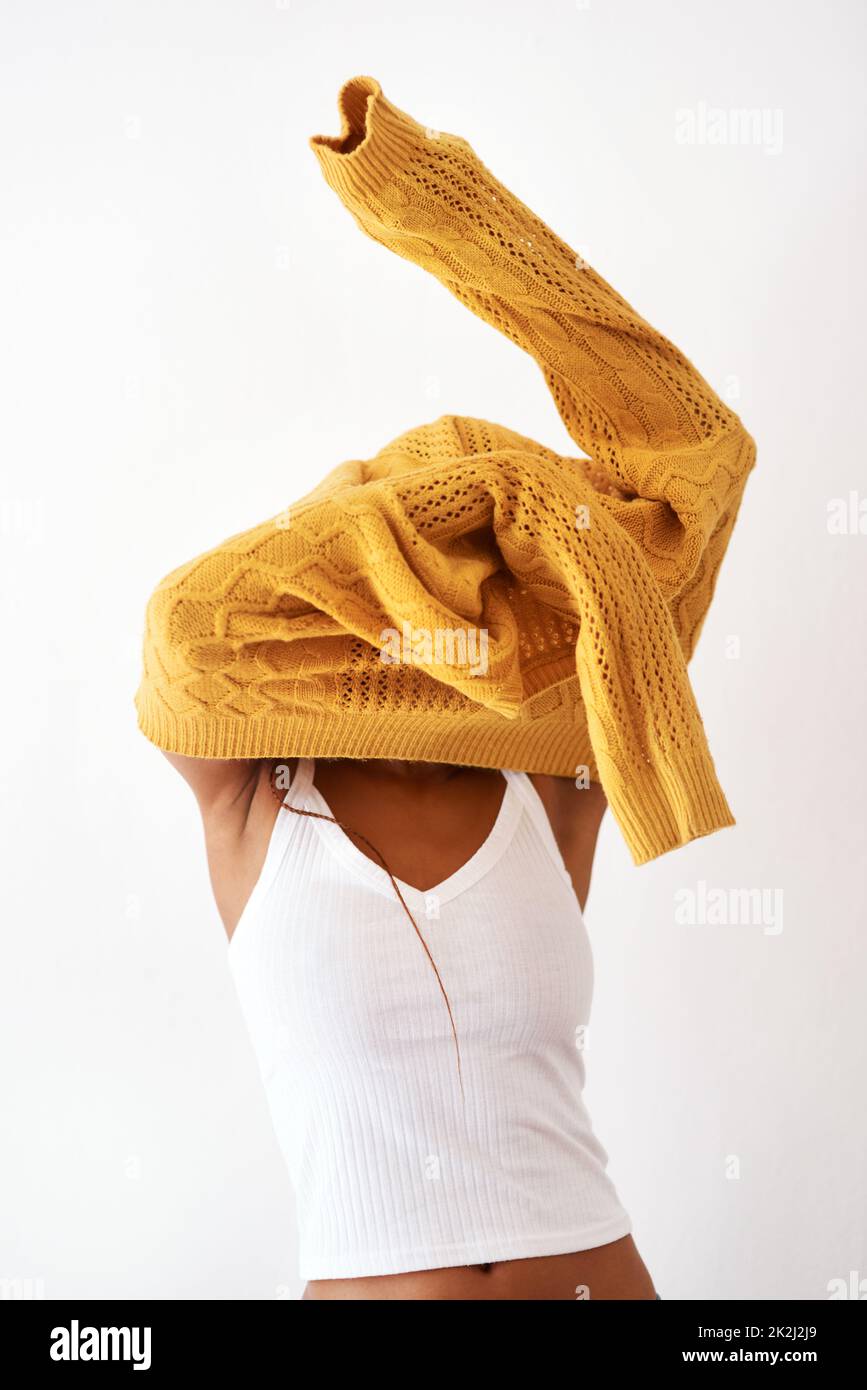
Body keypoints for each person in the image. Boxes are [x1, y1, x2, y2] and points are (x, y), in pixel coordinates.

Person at [136, 76, 756, 1300]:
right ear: (345, 568)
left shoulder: (557, 764)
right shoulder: (249, 788)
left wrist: (423, 194)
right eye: (420, 552)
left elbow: (698, 456)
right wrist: (394, 511)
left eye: (480, 545)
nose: (457, 582)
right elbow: (186, 618)